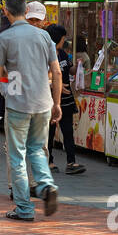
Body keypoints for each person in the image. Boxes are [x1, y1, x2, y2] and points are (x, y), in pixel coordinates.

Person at [0, 0, 62, 221]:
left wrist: (9, 85)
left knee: (17, 156)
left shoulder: (5, 38)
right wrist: (57, 103)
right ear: (26, 10)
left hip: (18, 104)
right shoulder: (45, 37)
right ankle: (45, 185)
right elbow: (57, 71)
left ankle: (24, 208)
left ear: (6, 11)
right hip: (43, 102)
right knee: (37, 149)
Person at [47, 24, 84, 175]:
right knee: (49, 131)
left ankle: (71, 161)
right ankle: (48, 161)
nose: (64, 41)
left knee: (68, 130)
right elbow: (45, 74)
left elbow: (69, 69)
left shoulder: (62, 53)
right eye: (63, 39)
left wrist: (79, 67)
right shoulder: (46, 53)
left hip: (66, 98)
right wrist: (56, 84)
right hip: (49, 98)